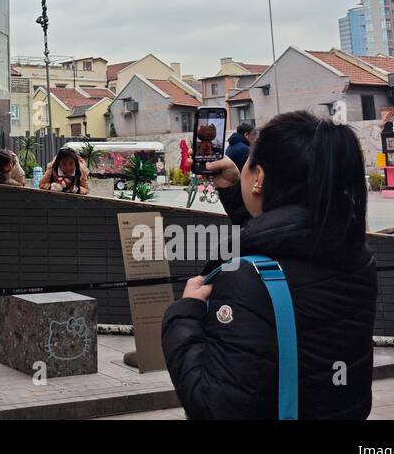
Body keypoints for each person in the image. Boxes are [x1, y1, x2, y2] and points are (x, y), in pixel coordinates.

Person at [161, 110, 377, 419]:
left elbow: (212, 407)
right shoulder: (356, 256)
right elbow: (289, 242)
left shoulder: (246, 281)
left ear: (259, 177)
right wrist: (238, 192)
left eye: (248, 163)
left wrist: (185, 314)